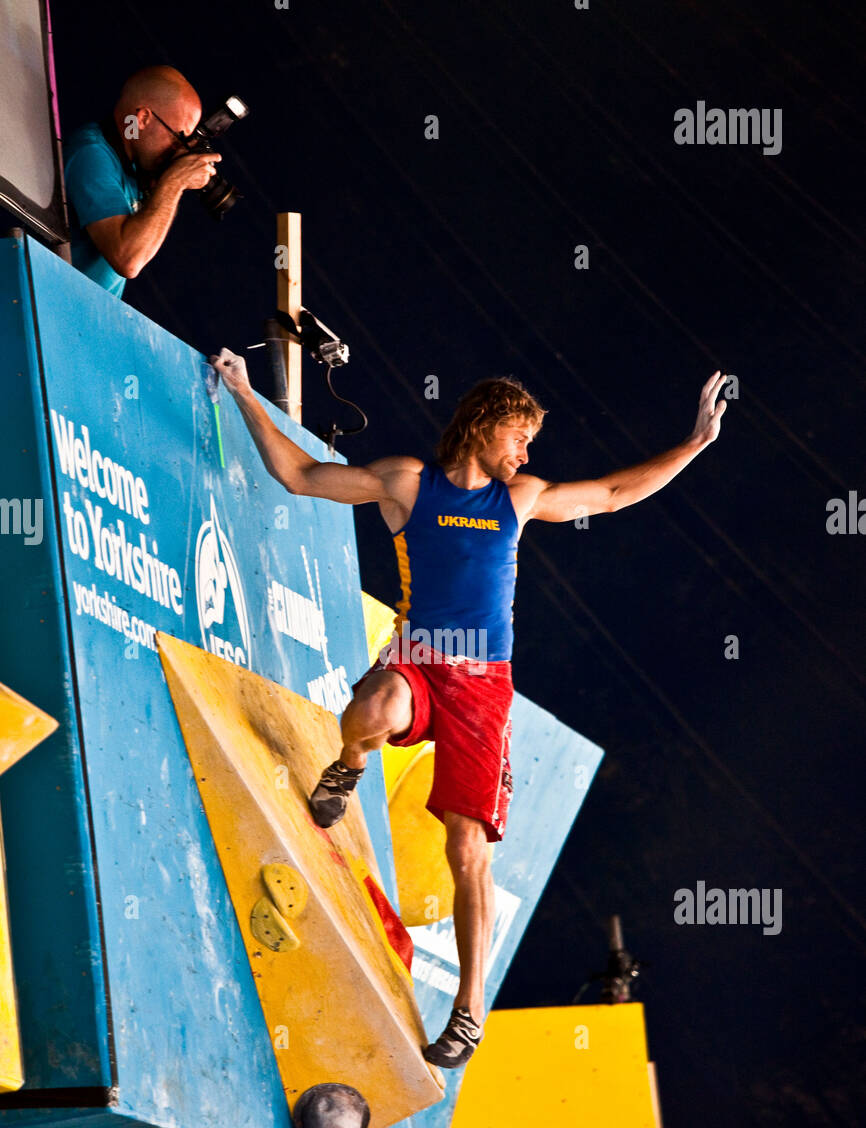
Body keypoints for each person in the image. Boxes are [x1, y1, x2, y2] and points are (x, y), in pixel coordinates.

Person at [210, 349, 728, 1067]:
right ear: (483, 425)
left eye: (530, 445)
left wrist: (694, 443)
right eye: (519, 436)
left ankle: (468, 1013)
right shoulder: (406, 484)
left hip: (482, 689)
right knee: (371, 713)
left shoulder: (520, 499)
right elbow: (298, 477)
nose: (525, 452)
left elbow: (611, 494)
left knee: (466, 852)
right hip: (419, 659)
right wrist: (240, 389)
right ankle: (347, 768)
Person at [64, 65, 219, 297]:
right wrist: (174, 181)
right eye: (178, 137)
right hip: (48, 308)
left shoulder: (134, 156)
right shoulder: (90, 153)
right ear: (143, 118)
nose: (180, 149)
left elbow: (150, 228)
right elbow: (128, 260)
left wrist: (164, 177)